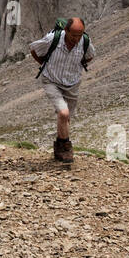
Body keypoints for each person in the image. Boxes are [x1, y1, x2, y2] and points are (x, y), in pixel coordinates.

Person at [28, 17, 95, 164]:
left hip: (72, 83)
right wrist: (44, 64)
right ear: (66, 31)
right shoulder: (53, 39)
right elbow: (33, 48)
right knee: (63, 113)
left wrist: (75, 66)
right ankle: (66, 148)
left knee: (65, 117)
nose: (77, 39)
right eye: (73, 35)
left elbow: (90, 56)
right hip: (51, 81)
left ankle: (58, 148)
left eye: (79, 35)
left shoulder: (85, 41)